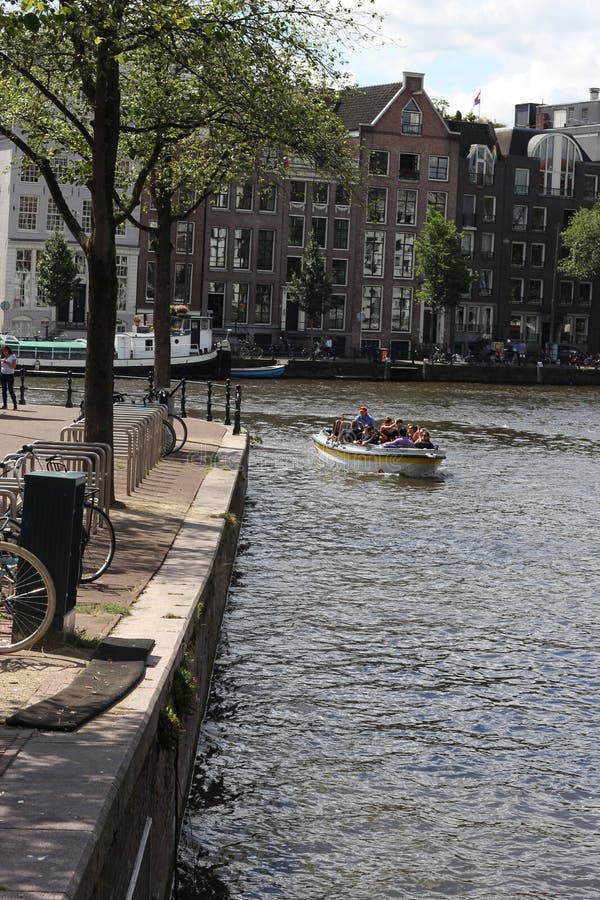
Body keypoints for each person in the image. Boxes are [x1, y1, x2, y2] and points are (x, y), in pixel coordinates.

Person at [1, 344, 18, 410]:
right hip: (2, 374)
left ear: (8, 350)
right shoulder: (2, 357)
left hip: (10, 375)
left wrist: (7, 362)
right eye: (3, 351)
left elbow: (14, 366)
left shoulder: (12, 356)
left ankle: (15, 405)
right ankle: (5, 405)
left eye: (5, 351)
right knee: (3, 390)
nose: (4, 352)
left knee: (11, 390)